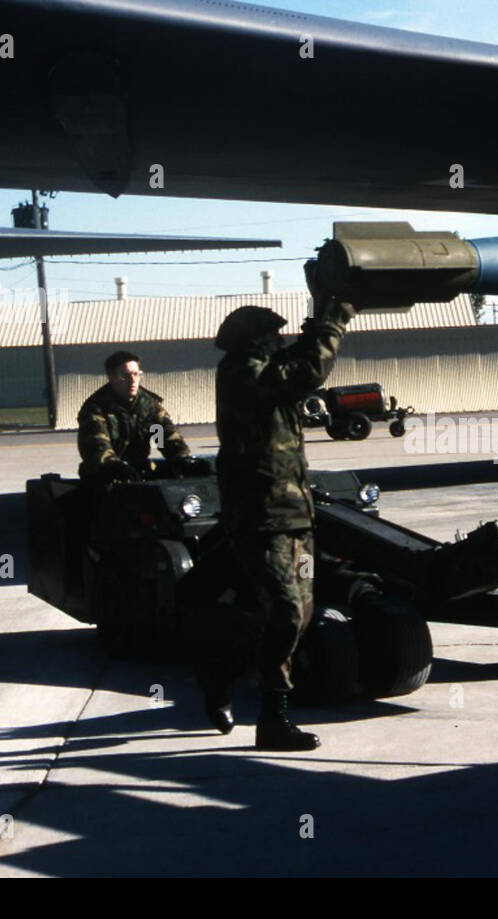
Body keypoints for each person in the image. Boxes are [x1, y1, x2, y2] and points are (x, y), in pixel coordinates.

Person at [200, 274, 354, 751]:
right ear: (253, 343)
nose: (280, 342)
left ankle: (222, 676)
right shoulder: (244, 374)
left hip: (295, 517)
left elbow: (296, 362)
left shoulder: (264, 369)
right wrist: (333, 322)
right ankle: (272, 719)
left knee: (299, 614)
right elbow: (306, 370)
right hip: (261, 519)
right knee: (286, 611)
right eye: (273, 337)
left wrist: (318, 319)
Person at [76, 350, 199, 482]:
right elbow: (97, 447)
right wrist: (116, 466)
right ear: (111, 377)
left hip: (138, 471)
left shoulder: (148, 406)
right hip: (104, 476)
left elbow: (163, 437)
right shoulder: (96, 408)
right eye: (125, 376)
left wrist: (181, 458)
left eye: (136, 374)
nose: (133, 380)